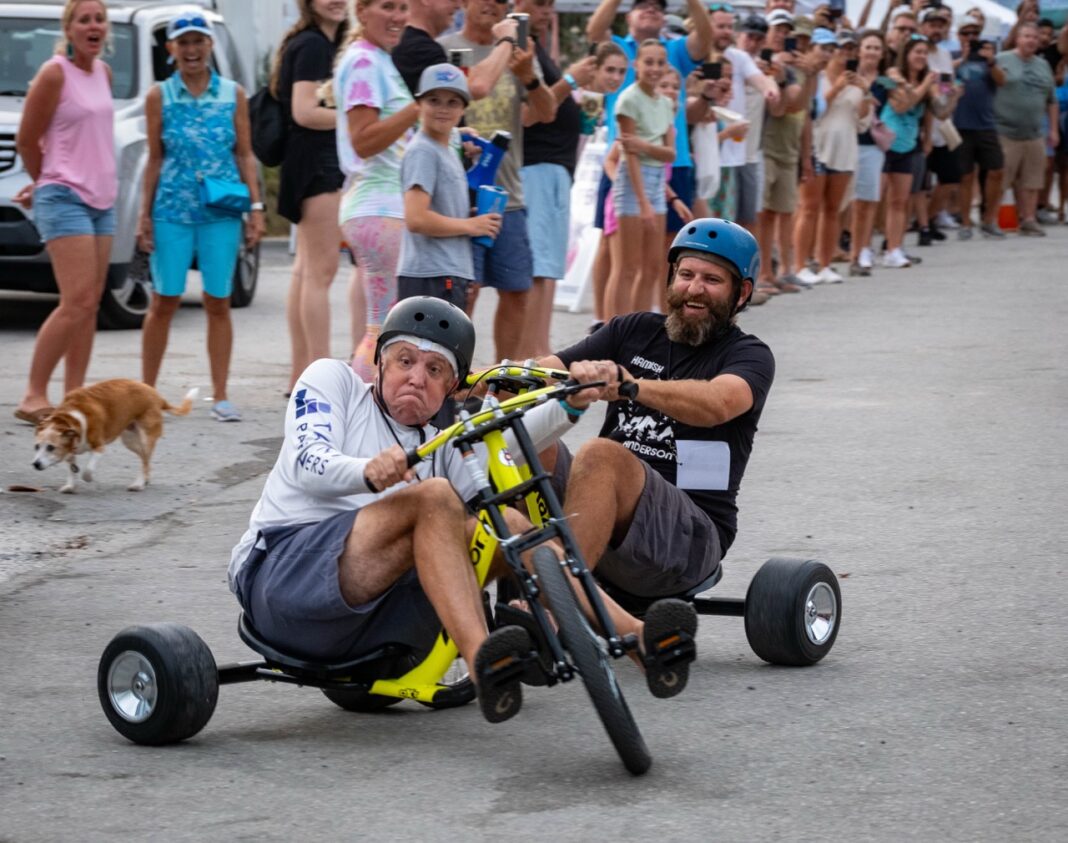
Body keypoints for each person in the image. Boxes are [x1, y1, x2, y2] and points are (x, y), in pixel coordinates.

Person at [228, 296, 698, 724]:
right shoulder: (334, 382)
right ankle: (483, 661)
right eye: (405, 361)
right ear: (379, 363)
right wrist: (367, 471)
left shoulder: (440, 442)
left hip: (371, 617)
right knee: (433, 496)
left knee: (509, 524)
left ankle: (640, 640)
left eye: (435, 370)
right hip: (281, 576)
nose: (416, 377)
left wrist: (574, 401)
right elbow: (308, 459)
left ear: (451, 385)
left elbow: (509, 440)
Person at [538, 218, 773, 604]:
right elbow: (543, 371)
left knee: (600, 454)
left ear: (741, 293)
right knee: (527, 443)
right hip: (605, 516)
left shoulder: (749, 355)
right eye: (686, 275)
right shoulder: (633, 331)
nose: (694, 289)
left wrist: (631, 386)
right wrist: (455, 376)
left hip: (688, 541)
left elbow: (719, 402)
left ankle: (554, 611)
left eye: (712, 280)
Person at [137, 12, 265, 422]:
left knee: (218, 301)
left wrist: (256, 209)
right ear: (171, 49)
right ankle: (146, 394)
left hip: (221, 212)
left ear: (210, 45)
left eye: (199, 41)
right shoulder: (159, 96)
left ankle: (221, 395)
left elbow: (244, 153)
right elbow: (154, 158)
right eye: (183, 42)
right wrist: (143, 214)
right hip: (171, 210)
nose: (191, 50)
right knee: (164, 300)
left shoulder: (233, 94)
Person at [13, 0, 116, 424]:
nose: (94, 26)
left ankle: (74, 395)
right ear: (69, 28)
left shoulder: (104, 74)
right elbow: (26, 139)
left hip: (103, 200)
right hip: (64, 195)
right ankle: (33, 395)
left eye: (99, 19)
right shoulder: (55, 73)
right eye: (85, 20)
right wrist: (46, 182)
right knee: (74, 301)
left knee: (90, 304)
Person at [439, 0, 557, 363]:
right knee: (463, 295)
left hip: (508, 195)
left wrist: (529, 77)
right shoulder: (445, 49)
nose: (492, 4)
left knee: (517, 291)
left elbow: (547, 111)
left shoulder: (518, 52)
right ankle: (452, 380)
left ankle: (499, 386)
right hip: (458, 195)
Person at [273, 0, 350, 393]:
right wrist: (358, 116)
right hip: (317, 163)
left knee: (306, 270)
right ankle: (317, 375)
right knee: (320, 272)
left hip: (306, 162)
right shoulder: (314, 45)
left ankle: (301, 373)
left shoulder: (308, 42)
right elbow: (304, 111)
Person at [517, 0, 597, 358]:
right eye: (539, 4)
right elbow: (530, 113)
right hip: (537, 164)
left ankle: (539, 347)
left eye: (550, 4)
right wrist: (571, 80)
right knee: (538, 267)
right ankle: (531, 351)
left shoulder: (534, 44)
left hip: (554, 166)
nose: (547, 11)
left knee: (548, 267)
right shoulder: (519, 46)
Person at [605, 40, 676, 320]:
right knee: (627, 267)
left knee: (653, 266)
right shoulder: (628, 100)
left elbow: (669, 153)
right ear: (637, 64)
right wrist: (643, 202)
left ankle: (640, 328)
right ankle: (614, 332)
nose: (655, 68)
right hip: (633, 181)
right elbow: (628, 154)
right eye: (649, 62)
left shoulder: (667, 103)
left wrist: (644, 146)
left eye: (660, 62)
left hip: (657, 179)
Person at [794, 28, 870, 285]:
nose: (846, 54)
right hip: (818, 146)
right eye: (842, 49)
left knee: (832, 210)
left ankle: (824, 264)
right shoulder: (819, 78)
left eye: (851, 50)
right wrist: (837, 88)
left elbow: (863, 122)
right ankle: (799, 264)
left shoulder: (857, 82)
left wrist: (866, 93)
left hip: (845, 150)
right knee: (809, 207)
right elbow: (815, 112)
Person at [711, 5, 781, 234]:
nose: (726, 31)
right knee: (708, 221)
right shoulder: (701, 55)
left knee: (738, 221)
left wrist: (771, 88)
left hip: (737, 154)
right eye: (721, 26)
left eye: (729, 26)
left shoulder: (738, 58)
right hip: (709, 152)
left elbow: (761, 79)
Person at [995, 22, 1060, 236]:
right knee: (1001, 178)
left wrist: (1053, 130)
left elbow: (1052, 101)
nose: (1031, 40)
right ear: (1017, 39)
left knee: (1033, 180)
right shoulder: (1001, 59)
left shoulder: (1043, 66)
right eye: (1026, 36)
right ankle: (996, 219)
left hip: (1035, 132)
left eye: (1035, 37)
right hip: (1005, 131)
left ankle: (1029, 219)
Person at [880, 35, 936, 269]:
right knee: (874, 200)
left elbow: (936, 111)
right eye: (917, 52)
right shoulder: (894, 74)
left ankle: (895, 248)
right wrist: (925, 86)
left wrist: (951, 96)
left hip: (909, 143)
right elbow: (902, 104)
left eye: (925, 52)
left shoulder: (926, 80)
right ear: (907, 54)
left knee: (901, 201)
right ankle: (860, 249)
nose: (921, 57)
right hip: (885, 142)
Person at [954, 15, 1007, 240]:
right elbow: (943, 83)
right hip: (961, 125)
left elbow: (1002, 81)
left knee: (996, 171)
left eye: (975, 33)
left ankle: (988, 220)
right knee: (966, 176)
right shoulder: (953, 58)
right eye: (966, 33)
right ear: (958, 36)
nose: (971, 37)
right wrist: (962, 59)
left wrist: (991, 61)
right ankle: (965, 223)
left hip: (986, 124)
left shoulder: (988, 57)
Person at [849, 29, 888, 275]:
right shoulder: (848, 76)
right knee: (849, 203)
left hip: (872, 144)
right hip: (848, 141)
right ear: (860, 50)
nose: (872, 52)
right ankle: (849, 250)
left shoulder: (886, 81)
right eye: (868, 47)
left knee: (868, 200)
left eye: (876, 48)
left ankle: (862, 250)